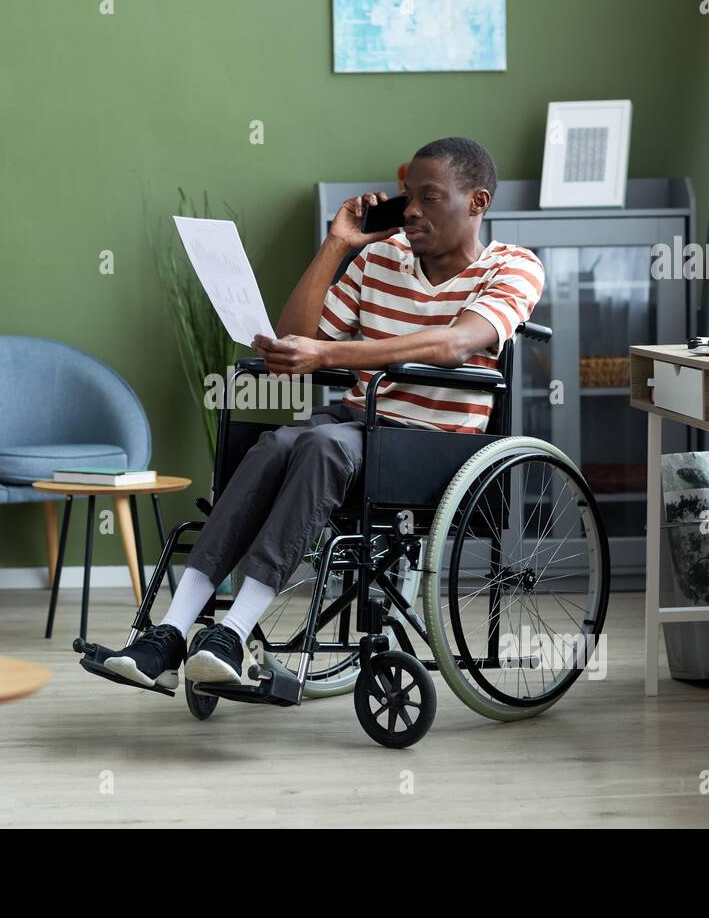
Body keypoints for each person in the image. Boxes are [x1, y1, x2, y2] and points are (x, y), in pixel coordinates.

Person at [98, 136, 545, 690]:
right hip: (357, 423)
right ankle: (168, 633)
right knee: (276, 443)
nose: (410, 211)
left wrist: (332, 354)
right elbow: (294, 340)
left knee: (320, 444)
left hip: (433, 444)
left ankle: (233, 632)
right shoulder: (380, 258)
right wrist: (336, 246)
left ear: (477, 202)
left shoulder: (514, 267)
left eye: (429, 198)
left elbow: (454, 345)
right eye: (408, 197)